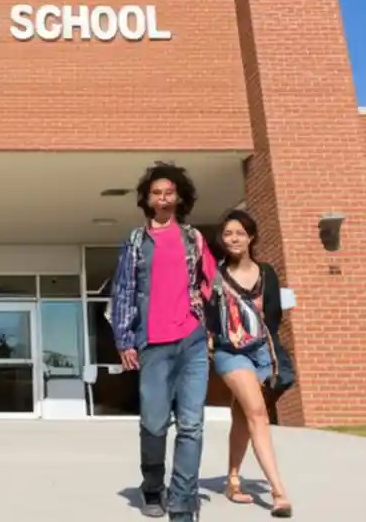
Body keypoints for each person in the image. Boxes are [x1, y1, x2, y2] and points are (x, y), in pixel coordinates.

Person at [109, 162, 217, 521]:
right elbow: (124, 291)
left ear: (179, 197)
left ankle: (183, 501)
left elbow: (211, 282)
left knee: (191, 424)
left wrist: (205, 320)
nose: (163, 198)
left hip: (192, 341)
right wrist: (125, 339)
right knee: (154, 424)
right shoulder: (136, 241)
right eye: (157, 193)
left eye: (169, 192)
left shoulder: (193, 237)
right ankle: (153, 486)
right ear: (147, 199)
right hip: (153, 342)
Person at [209, 210, 293, 518]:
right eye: (228, 234)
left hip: (262, 352)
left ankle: (232, 478)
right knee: (258, 413)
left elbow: (274, 316)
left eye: (239, 233)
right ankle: (279, 492)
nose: (233, 239)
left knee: (243, 415)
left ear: (250, 237)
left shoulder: (267, 273)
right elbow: (207, 314)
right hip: (230, 352)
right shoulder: (215, 276)